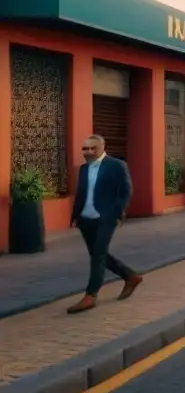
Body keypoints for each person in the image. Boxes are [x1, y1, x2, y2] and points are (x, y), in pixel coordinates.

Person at [67, 134, 142, 314]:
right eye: (85, 148)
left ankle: (90, 295)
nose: (89, 152)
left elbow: (125, 192)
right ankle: (130, 276)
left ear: (102, 148)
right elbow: (81, 193)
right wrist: (75, 216)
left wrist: (116, 214)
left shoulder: (117, 166)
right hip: (86, 219)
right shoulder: (84, 169)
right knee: (98, 255)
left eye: (93, 148)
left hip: (106, 218)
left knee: (98, 254)